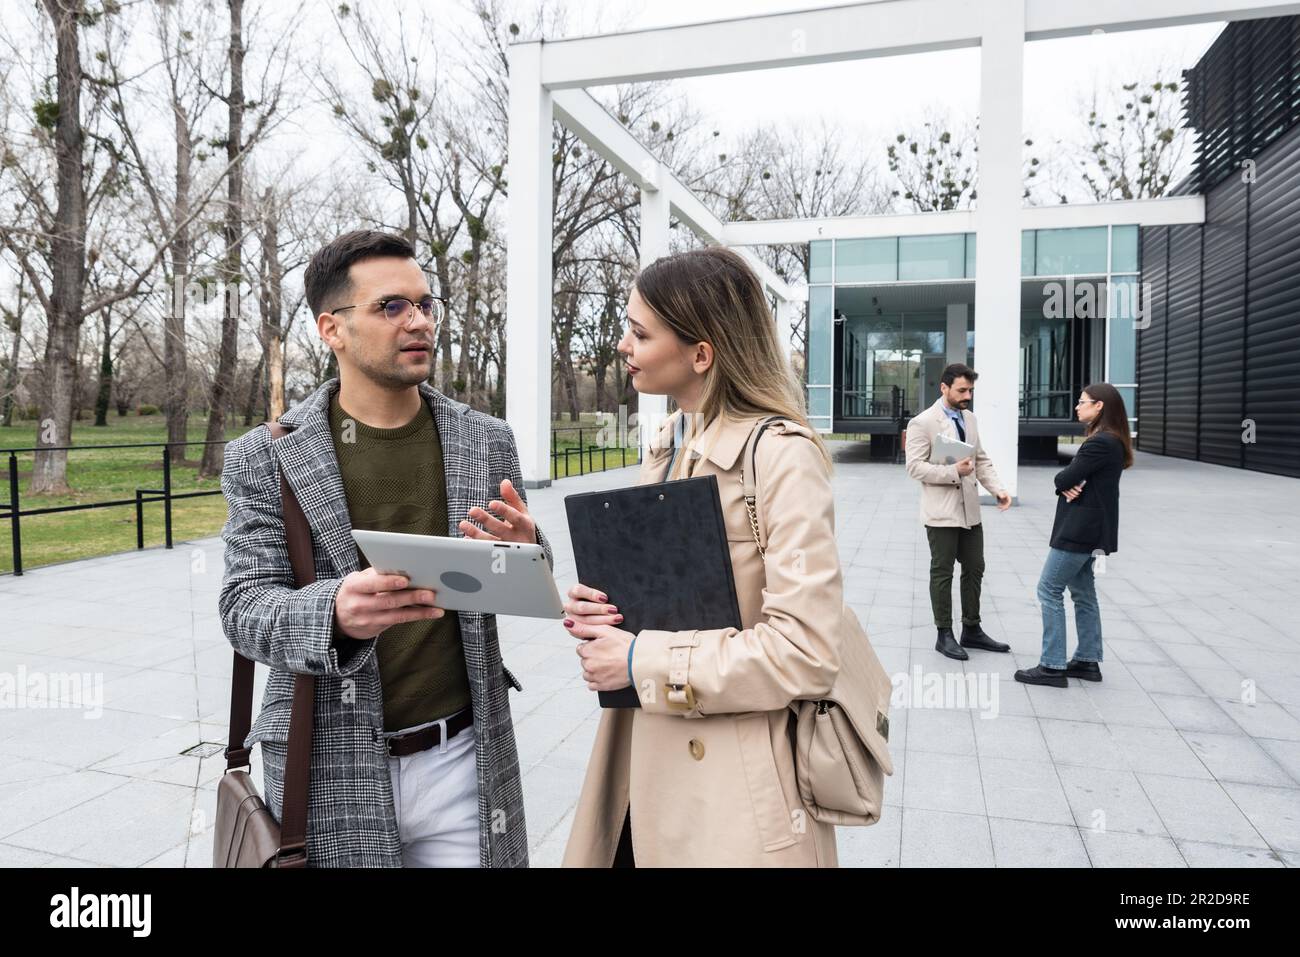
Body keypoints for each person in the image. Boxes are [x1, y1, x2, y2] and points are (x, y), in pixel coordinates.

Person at [218, 229, 550, 867]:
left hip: (465, 759)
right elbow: (243, 608)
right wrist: (334, 614)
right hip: (327, 766)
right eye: (391, 306)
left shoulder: (486, 440)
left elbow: (525, 574)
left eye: (425, 304)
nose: (419, 320)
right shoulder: (265, 454)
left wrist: (528, 548)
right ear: (331, 330)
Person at [560, 246, 851, 867]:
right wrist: (603, 607)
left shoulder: (781, 454)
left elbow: (806, 652)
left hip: (733, 788)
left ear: (701, 353)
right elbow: (666, 594)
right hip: (641, 761)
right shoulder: (667, 439)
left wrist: (638, 657)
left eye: (640, 332)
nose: (622, 344)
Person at [1015, 384, 1132, 687]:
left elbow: (1064, 476)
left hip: (1080, 531)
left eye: (1083, 403)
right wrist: (1069, 482)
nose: (1077, 407)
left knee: (1048, 590)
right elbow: (1074, 480)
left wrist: (1065, 481)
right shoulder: (1113, 441)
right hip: (1094, 531)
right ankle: (1087, 660)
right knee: (1083, 593)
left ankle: (1052, 666)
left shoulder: (1100, 443)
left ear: (1100, 407)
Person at [904, 363, 1012, 660]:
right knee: (943, 571)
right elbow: (914, 467)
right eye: (962, 390)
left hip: (970, 510)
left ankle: (972, 629)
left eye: (970, 391)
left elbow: (981, 459)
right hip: (941, 511)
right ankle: (944, 633)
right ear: (944, 388)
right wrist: (953, 470)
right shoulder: (923, 422)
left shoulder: (971, 419)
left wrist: (998, 489)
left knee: (975, 566)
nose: (967, 396)